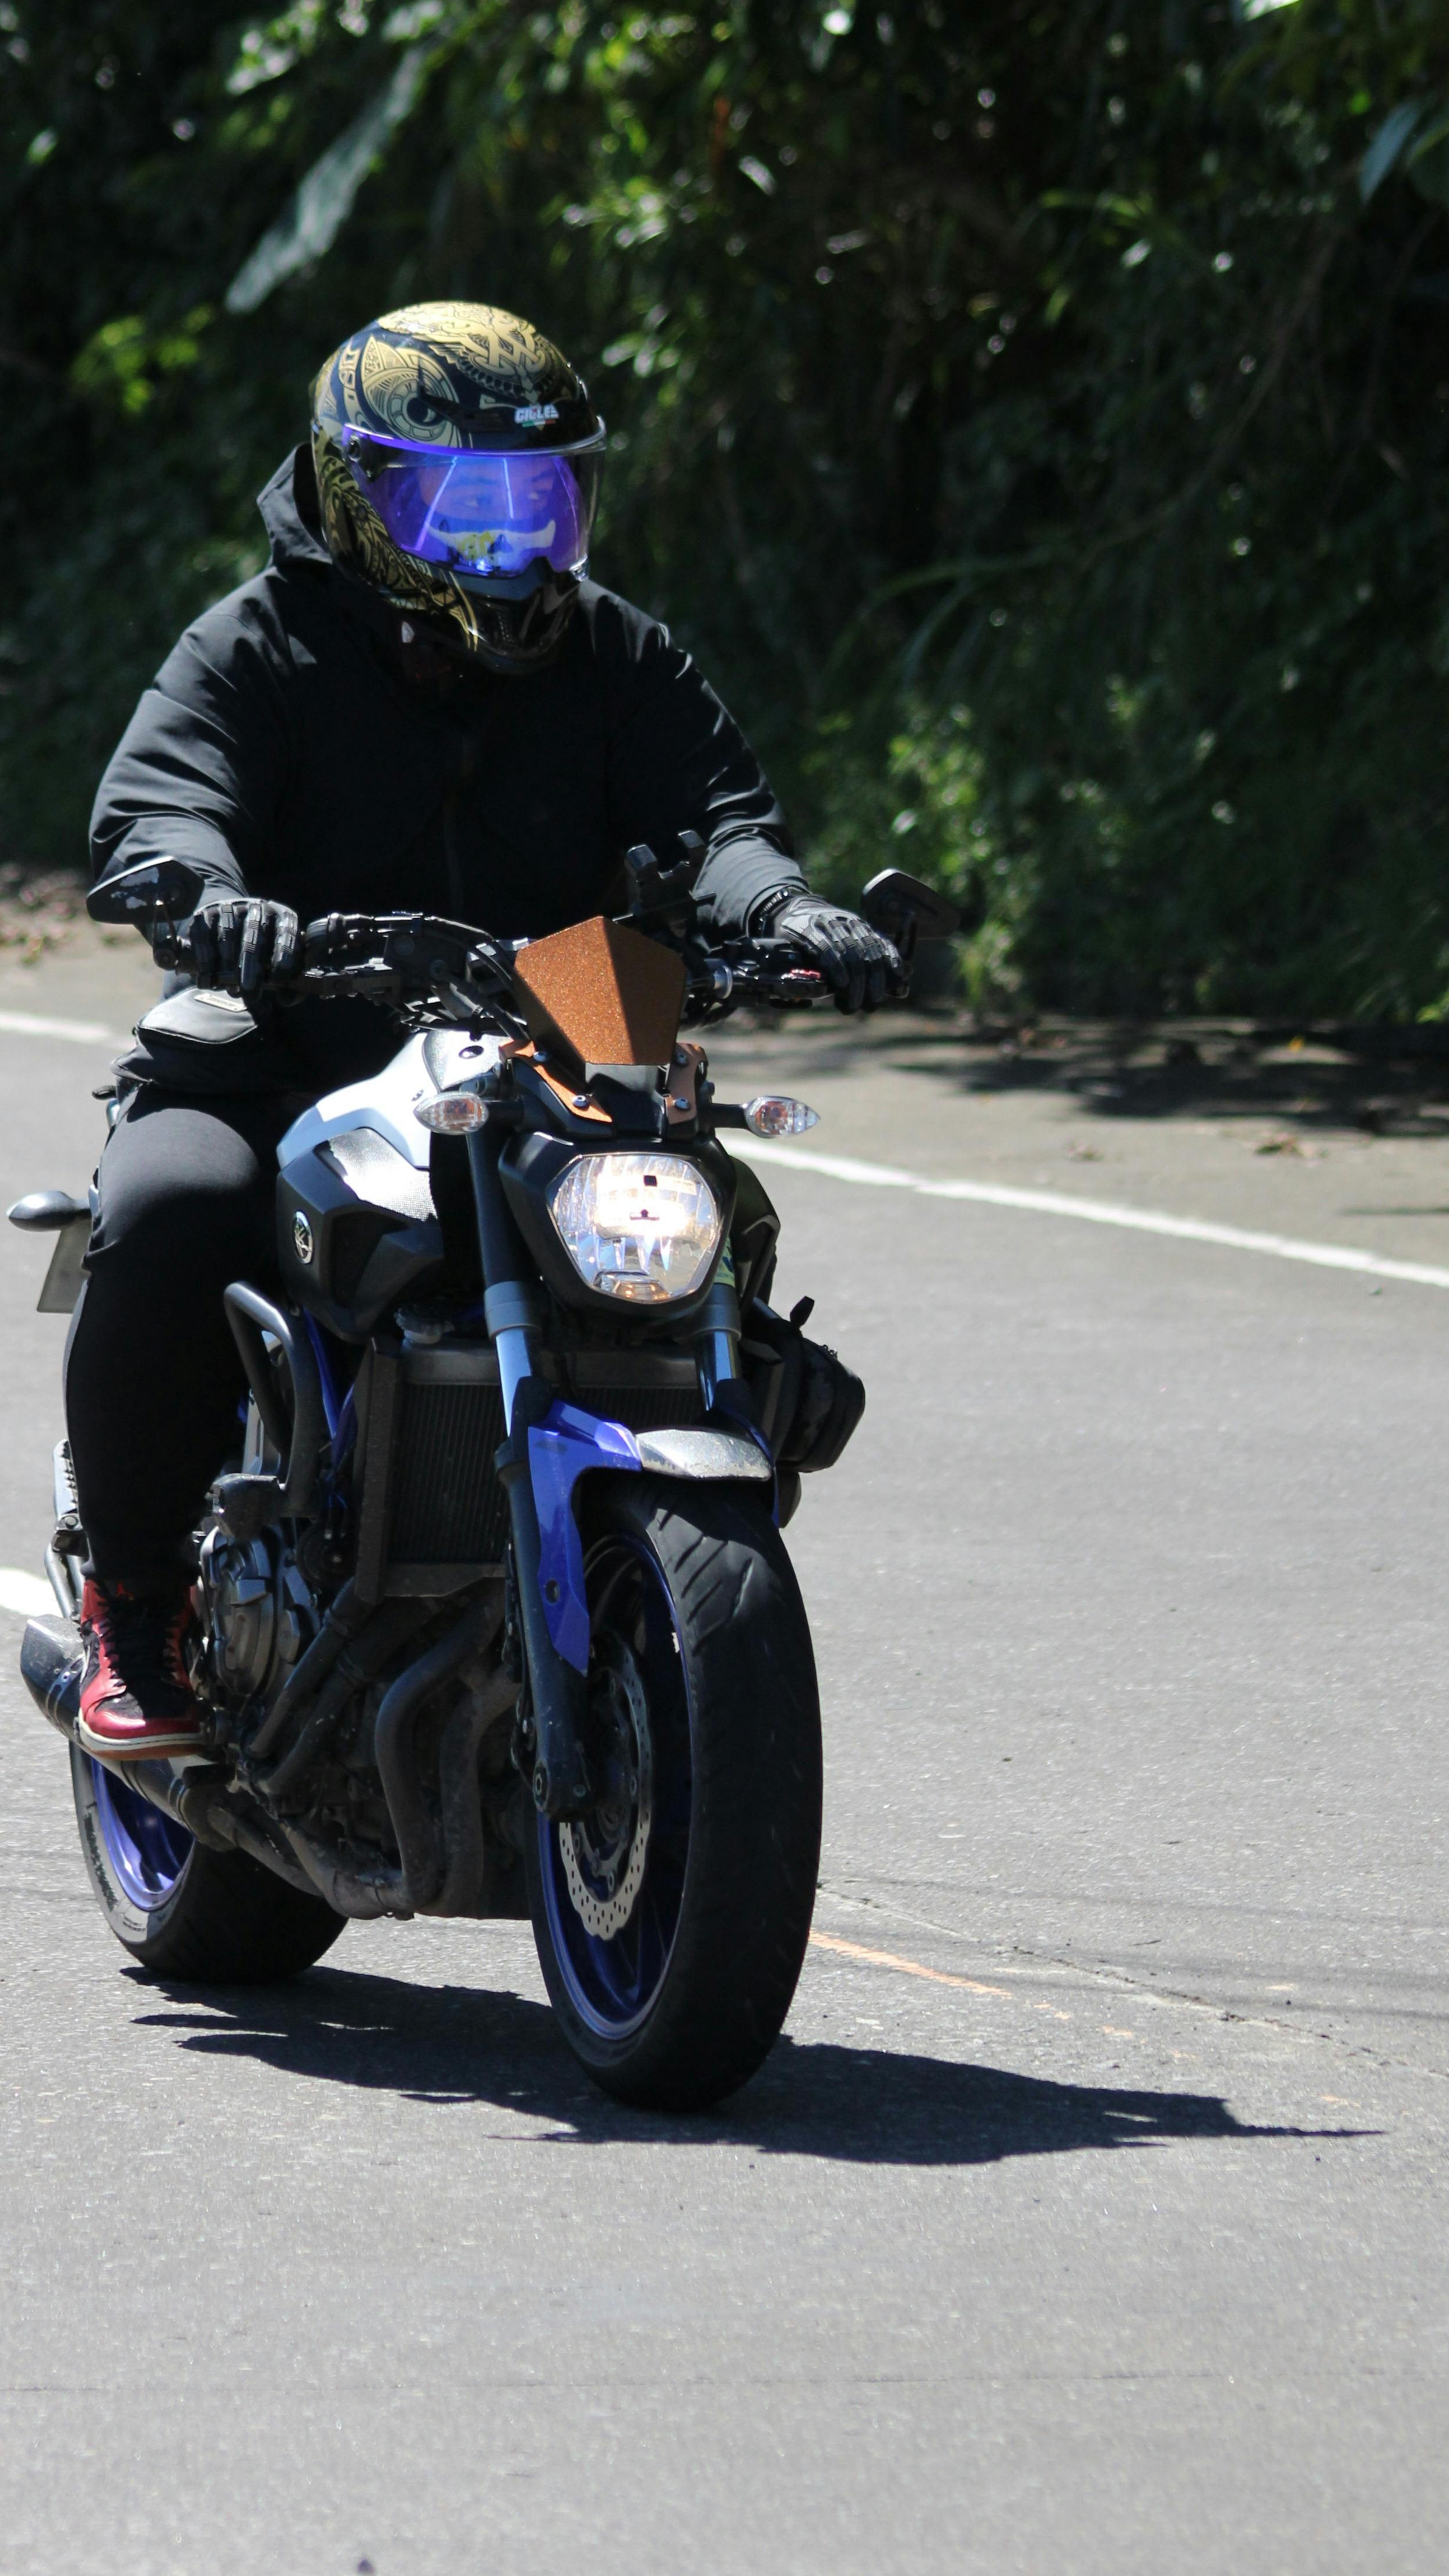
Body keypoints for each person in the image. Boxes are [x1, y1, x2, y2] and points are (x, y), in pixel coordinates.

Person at [67, 300, 898, 1759]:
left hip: (557, 1042)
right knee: (164, 1210)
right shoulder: (256, 645)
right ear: (355, 494)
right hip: (287, 1043)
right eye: (454, 501)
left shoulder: (616, 654)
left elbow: (717, 824)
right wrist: (210, 897)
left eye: (535, 500)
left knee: (712, 1218)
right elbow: (163, 804)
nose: (499, 540)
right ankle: (134, 1615)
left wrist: (787, 911)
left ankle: (660, 1526)